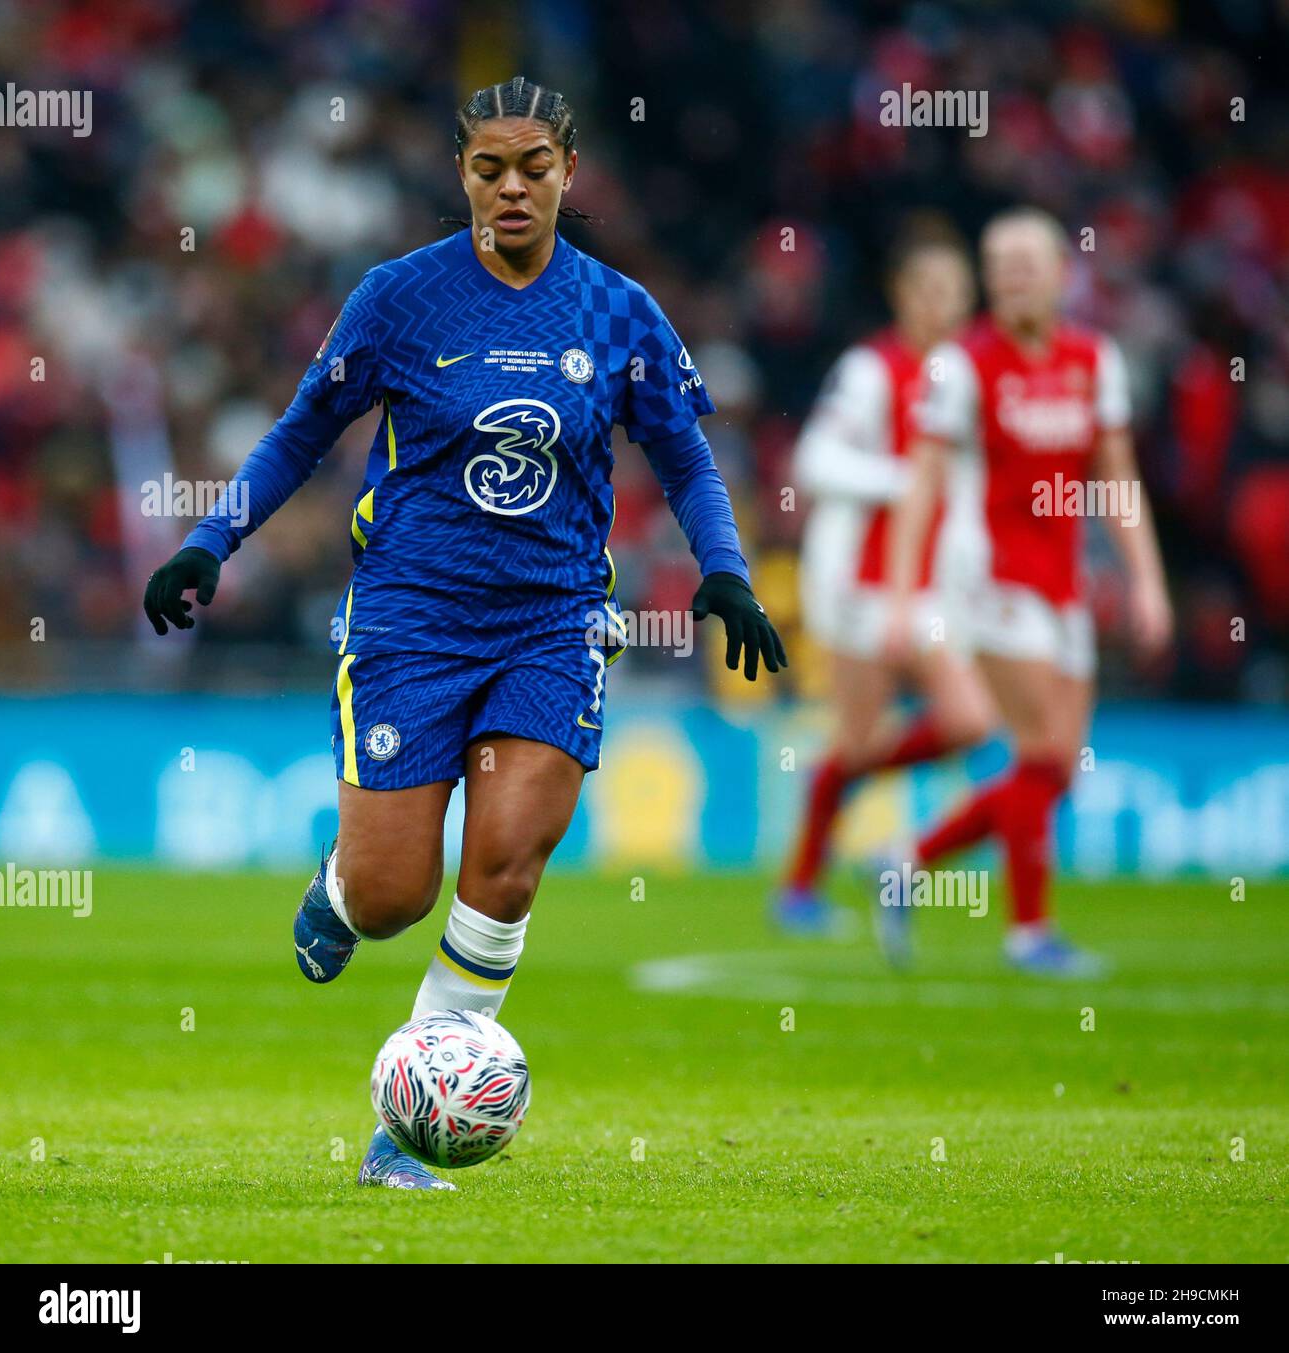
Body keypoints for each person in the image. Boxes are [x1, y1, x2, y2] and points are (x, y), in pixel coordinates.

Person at [142, 76, 785, 1189]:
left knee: (506, 868)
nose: (512, 187)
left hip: (554, 621)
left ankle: (403, 1127)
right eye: (489, 169)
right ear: (462, 176)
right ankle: (343, 895)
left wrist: (724, 572)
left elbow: (681, 453)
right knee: (397, 894)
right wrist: (210, 543)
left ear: (570, 170)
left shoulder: (617, 310)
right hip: (410, 618)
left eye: (534, 166)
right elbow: (302, 433)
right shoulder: (399, 299)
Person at [883, 208, 1172, 977]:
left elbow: (1116, 476)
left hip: (1062, 583)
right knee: (1042, 747)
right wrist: (907, 592)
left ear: (1059, 271)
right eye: (998, 261)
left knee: (1053, 770)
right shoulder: (961, 365)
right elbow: (923, 482)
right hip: (987, 578)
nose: (1011, 274)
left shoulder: (1092, 357)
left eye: (1026, 261)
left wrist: (1147, 580)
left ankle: (909, 860)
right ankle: (1029, 931)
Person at [776, 228, 994, 959]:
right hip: (856, 586)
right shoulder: (871, 369)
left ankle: (879, 851)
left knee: (968, 719)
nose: (944, 306)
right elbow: (813, 460)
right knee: (863, 742)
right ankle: (800, 885)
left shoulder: (965, 377)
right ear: (902, 294)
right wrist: (904, 481)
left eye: (956, 293)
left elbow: (966, 489)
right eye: (929, 290)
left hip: (930, 591)